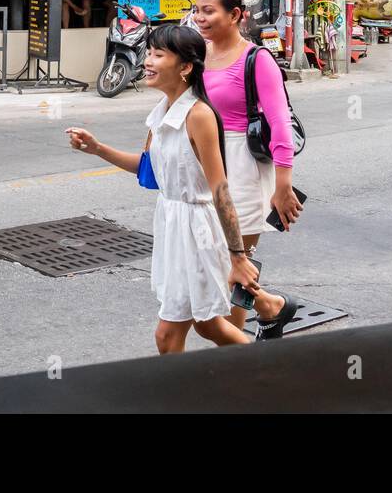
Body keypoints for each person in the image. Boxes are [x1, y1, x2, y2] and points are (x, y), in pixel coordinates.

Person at [65, 26, 262, 354]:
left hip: (197, 232)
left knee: (168, 336)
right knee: (208, 326)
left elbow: (220, 191)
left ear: (185, 67)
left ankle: (264, 373)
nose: (149, 62)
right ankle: (268, 369)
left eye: (159, 55)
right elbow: (148, 171)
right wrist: (98, 149)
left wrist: (238, 256)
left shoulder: (199, 115)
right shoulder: (161, 114)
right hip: (171, 226)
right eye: (150, 53)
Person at [195, 0, 301, 339]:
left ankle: (236, 353)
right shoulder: (198, 57)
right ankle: (271, 307)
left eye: (209, 11)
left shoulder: (258, 60)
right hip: (208, 166)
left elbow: (280, 125)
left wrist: (283, 186)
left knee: (236, 267)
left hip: (245, 168)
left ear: (235, 14)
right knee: (217, 262)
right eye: (197, 10)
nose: (200, 18)